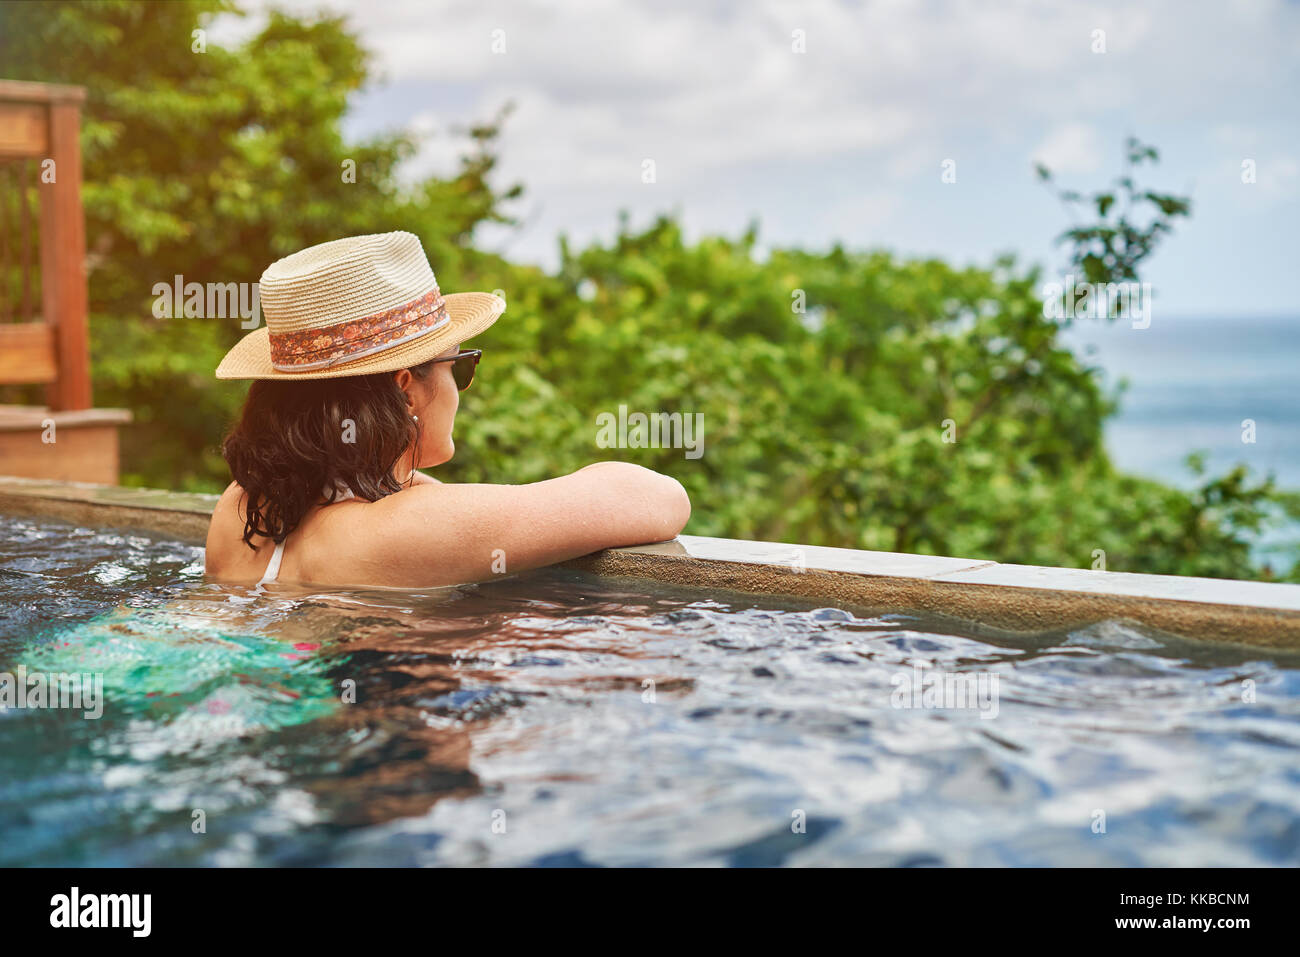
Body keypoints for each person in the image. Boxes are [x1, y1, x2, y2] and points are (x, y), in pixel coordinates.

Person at [204, 231, 690, 587]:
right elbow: (658, 498)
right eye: (459, 366)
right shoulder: (408, 527)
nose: (460, 388)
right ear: (406, 390)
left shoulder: (240, 509)